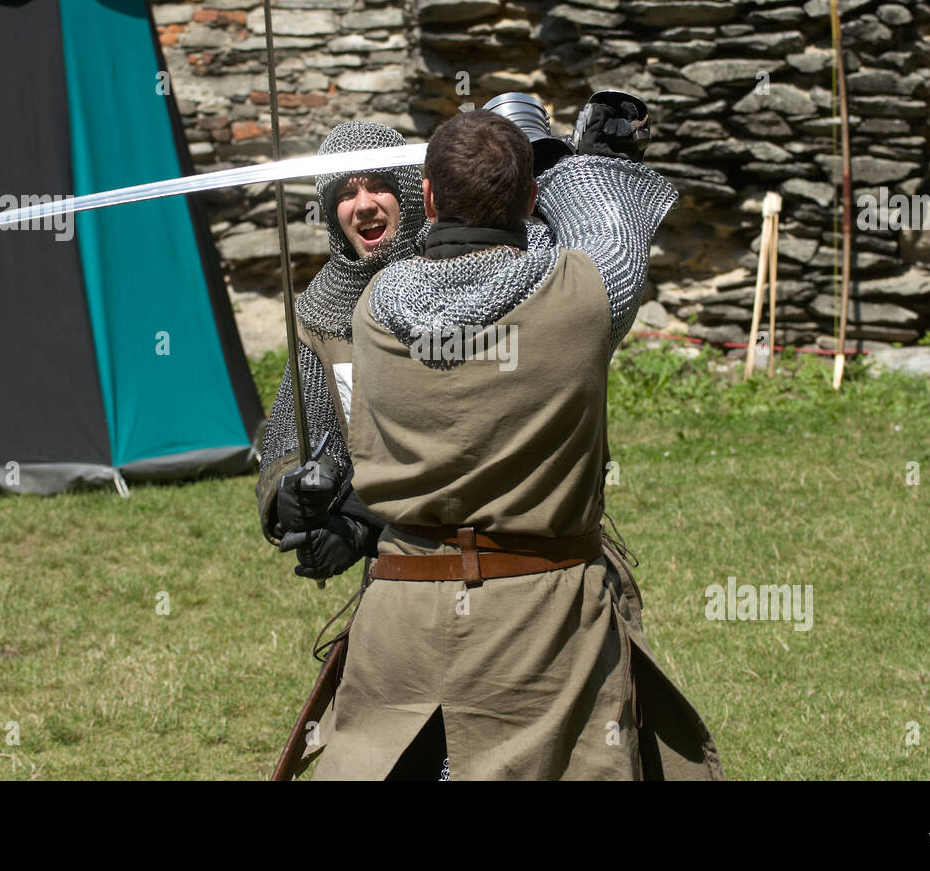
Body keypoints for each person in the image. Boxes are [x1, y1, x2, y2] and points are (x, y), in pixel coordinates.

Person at [309, 105, 723, 780]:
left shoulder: (376, 307)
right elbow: (606, 225)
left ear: (429, 199)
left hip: (405, 623)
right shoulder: (585, 298)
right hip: (543, 621)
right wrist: (585, 161)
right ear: (532, 198)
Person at [254, 121, 427, 581]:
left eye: (379, 186)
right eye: (346, 193)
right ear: (331, 212)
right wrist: (295, 489)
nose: (364, 204)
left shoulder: (455, 279)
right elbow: (299, 430)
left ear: (409, 195)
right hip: (395, 568)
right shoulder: (320, 312)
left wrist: (357, 525)